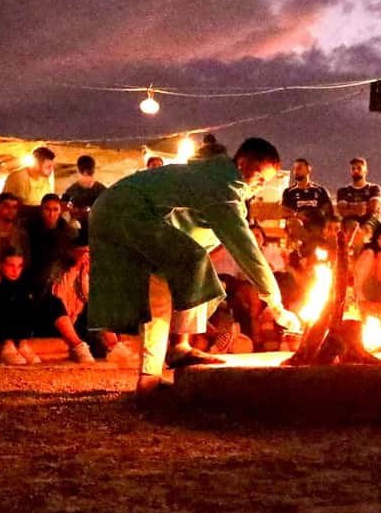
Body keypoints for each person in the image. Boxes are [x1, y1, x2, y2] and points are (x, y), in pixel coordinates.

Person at [88, 137, 301, 396]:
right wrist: (277, 306)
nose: (259, 186)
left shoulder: (214, 181)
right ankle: (172, 355)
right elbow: (249, 253)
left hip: (115, 210)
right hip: (124, 209)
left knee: (166, 281)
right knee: (193, 260)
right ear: (242, 163)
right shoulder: (222, 187)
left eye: (265, 182)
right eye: (258, 177)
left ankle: (156, 371)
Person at [38, 233, 98, 364]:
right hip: (56, 322)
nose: (85, 256)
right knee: (54, 303)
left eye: (88, 252)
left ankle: (114, 345)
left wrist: (84, 275)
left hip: (75, 320)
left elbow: (88, 299)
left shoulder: (88, 271)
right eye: (82, 252)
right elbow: (58, 296)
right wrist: (74, 268)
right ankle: (77, 346)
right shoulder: (58, 267)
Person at [0, 249, 40, 365]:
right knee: (5, 299)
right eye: (11, 265)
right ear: (0, 265)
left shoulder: (23, 284)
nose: (15, 270)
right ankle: (7, 345)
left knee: (26, 300)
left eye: (19, 266)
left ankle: (22, 344)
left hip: (20, 332)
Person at [24, 193, 77, 292]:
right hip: (34, 274)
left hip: (59, 276)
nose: (51, 214)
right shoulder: (30, 229)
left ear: (60, 211)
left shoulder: (68, 232)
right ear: (42, 210)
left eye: (55, 209)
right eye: (47, 209)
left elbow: (70, 257)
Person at [353, 222, 381, 316]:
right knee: (369, 254)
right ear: (376, 238)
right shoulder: (367, 250)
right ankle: (361, 299)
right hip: (364, 289)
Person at [281, 158, 333, 224]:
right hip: (298, 226)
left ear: (308, 170)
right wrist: (297, 215)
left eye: (299, 168)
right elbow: (283, 212)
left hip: (317, 225)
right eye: (294, 169)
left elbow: (328, 212)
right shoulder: (289, 192)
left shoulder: (320, 190)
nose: (296, 171)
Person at [336, 157, 381, 228]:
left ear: (365, 171)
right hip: (350, 221)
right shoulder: (343, 190)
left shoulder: (374, 188)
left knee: (366, 228)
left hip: (370, 221)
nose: (356, 170)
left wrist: (349, 206)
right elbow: (342, 211)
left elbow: (374, 208)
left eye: (359, 168)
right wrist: (361, 207)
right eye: (353, 168)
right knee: (351, 225)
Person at [63, 155, 106, 228]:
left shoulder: (103, 191)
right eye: (88, 175)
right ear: (81, 173)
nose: (91, 180)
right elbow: (63, 211)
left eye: (91, 175)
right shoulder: (70, 192)